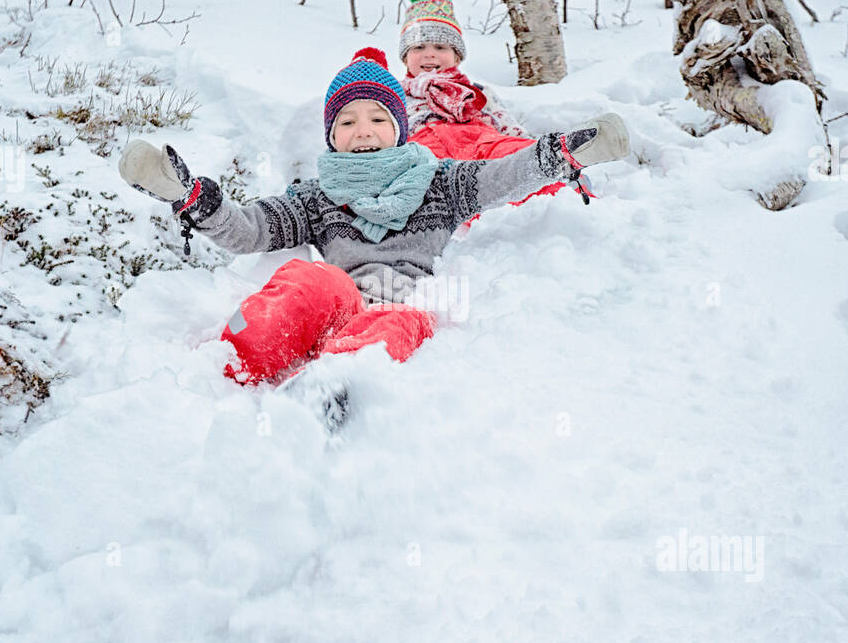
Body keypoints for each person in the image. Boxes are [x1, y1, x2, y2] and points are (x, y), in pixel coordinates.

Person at [118, 50, 629, 389]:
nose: (363, 130)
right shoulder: (315, 197)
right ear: (331, 136)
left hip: (399, 309)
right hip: (338, 298)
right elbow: (250, 229)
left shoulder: (441, 183)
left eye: (379, 118)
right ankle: (226, 374)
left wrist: (559, 155)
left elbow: (500, 177)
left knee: (397, 320)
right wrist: (193, 199)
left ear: (400, 130)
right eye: (347, 120)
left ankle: (331, 391)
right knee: (307, 279)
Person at [399, 0, 591, 205]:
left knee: (512, 159)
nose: (429, 54)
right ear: (405, 57)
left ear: (457, 57)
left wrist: (530, 149)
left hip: (482, 142)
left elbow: (506, 124)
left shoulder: (474, 92)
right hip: (429, 151)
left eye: (440, 47)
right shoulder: (395, 94)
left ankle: (560, 179)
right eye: (419, 47)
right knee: (427, 179)